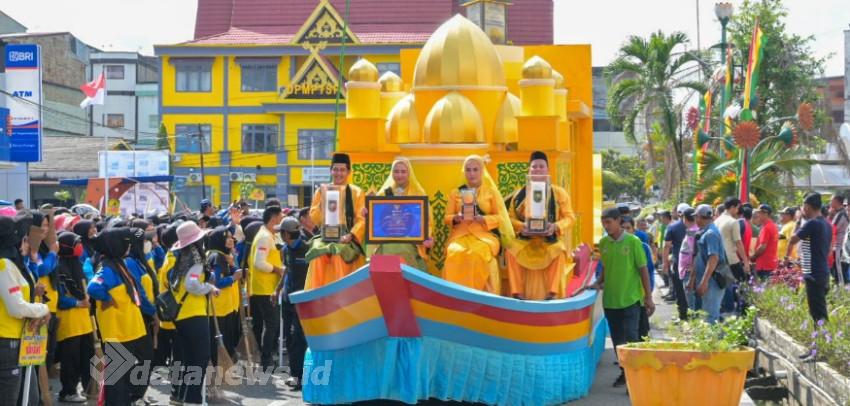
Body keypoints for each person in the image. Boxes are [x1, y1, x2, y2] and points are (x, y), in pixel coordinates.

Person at [590, 207, 653, 388]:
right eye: (603, 223)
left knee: (632, 339)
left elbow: (643, 270)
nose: (606, 226)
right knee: (618, 341)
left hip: (631, 299)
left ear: (618, 221)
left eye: (609, 222)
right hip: (611, 301)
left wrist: (648, 297)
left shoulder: (633, 242)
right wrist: (598, 282)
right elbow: (606, 267)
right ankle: (625, 372)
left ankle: (635, 377)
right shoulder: (603, 243)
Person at [87, 227, 149, 405]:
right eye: (125, 242)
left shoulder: (118, 264)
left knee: (124, 374)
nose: (128, 245)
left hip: (126, 329)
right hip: (117, 331)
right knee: (116, 378)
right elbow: (93, 287)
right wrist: (108, 299)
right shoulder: (107, 268)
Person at [504, 151, 575, 300]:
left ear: (547, 170)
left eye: (541, 166)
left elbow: (570, 217)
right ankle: (517, 293)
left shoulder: (559, 193)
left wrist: (555, 226)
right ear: (529, 170)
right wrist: (522, 226)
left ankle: (552, 293)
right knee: (510, 250)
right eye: (534, 166)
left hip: (548, 239)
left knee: (559, 251)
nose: (537, 169)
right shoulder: (519, 194)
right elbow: (510, 218)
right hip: (526, 239)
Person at [443, 155, 515, 294]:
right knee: (454, 253)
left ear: (482, 171)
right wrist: (457, 218)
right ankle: (455, 296)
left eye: (475, 170)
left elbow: (500, 218)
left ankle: (478, 296)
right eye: (468, 170)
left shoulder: (491, 192)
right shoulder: (456, 193)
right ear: (464, 172)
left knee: (477, 254)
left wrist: (483, 219)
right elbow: (447, 218)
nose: (471, 173)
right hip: (461, 234)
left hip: (485, 235)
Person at [0, 214, 51, 405]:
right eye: (24, 239)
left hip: (21, 339)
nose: (27, 243)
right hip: (7, 341)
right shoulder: (4, 265)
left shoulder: (15, 264)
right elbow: (16, 307)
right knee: (10, 399)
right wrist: (42, 309)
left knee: (29, 398)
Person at [169, 221, 219, 404]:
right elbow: (192, 285)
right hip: (193, 314)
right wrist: (209, 287)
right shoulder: (196, 259)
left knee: (189, 358)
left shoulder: (182, 256)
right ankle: (193, 398)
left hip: (181, 315)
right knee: (200, 357)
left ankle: (184, 397)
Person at [305, 153, 367, 289]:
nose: (338, 173)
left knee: (339, 254)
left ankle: (341, 291)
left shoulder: (357, 192)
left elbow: (361, 220)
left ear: (348, 172)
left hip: (347, 237)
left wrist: (351, 235)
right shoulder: (321, 191)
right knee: (317, 254)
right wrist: (322, 202)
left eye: (342, 170)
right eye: (335, 169)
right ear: (331, 171)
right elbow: (314, 217)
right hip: (325, 235)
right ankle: (315, 292)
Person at [367, 158, 434, 271]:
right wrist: (367, 212)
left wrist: (427, 236)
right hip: (387, 238)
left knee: (404, 248)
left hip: (411, 240)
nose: (399, 175)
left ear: (409, 173)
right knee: (388, 248)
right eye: (396, 171)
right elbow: (376, 218)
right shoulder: (384, 193)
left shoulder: (418, 193)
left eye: (403, 172)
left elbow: (427, 221)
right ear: (392, 173)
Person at [55, 231, 94, 403]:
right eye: (76, 243)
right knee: (70, 360)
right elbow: (59, 299)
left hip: (84, 321)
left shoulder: (78, 264)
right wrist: (77, 303)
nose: (80, 246)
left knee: (87, 357)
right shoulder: (58, 268)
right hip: (69, 322)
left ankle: (89, 388)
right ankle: (68, 391)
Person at [786, 193, 832, 326]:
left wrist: (798, 221)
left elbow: (792, 240)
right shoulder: (827, 224)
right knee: (819, 309)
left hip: (813, 273)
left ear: (807, 206)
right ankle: (822, 335)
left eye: (803, 206)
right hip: (823, 271)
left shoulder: (812, 223)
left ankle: (823, 336)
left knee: (817, 313)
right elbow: (829, 250)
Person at [276, 217, 309, 391]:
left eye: (281, 232)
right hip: (287, 300)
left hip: (302, 302)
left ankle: (300, 377)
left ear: (286, 234)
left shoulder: (308, 250)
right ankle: (294, 374)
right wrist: (277, 289)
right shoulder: (285, 249)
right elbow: (287, 270)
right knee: (289, 339)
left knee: (298, 338)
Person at [249, 206, 284, 368]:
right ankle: (266, 359)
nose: (281, 220)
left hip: (268, 287)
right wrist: (277, 269)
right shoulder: (264, 237)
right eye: (280, 217)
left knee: (271, 324)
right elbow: (259, 263)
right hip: (264, 288)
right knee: (271, 324)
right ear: (274, 218)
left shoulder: (269, 235)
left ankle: (267, 356)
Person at [206, 226, 242, 364]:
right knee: (219, 342)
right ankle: (219, 368)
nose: (230, 240)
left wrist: (233, 265)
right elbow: (216, 282)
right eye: (226, 237)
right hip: (218, 307)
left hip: (226, 306)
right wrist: (233, 278)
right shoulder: (216, 256)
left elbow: (235, 271)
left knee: (227, 339)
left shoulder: (224, 255)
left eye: (231, 237)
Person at [693, 204, 728, 324]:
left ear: (700, 217)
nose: (695, 220)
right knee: (708, 314)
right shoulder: (706, 231)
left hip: (712, 281)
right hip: (710, 280)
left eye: (696, 217)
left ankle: (713, 336)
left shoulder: (710, 234)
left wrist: (704, 282)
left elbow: (713, 258)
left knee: (710, 317)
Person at [621, 216, 654, 338]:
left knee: (640, 332)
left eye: (628, 228)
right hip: (619, 298)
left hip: (638, 297)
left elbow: (649, 272)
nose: (625, 231)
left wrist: (648, 295)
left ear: (633, 230)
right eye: (622, 228)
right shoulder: (610, 245)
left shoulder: (643, 247)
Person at [662, 203, 691, 320]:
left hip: (678, 262)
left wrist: (665, 264)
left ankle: (683, 315)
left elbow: (666, 246)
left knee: (679, 289)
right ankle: (694, 314)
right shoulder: (696, 226)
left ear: (679, 213)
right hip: (693, 263)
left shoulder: (672, 227)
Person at [715, 198, 750, 282]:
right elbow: (738, 243)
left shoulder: (716, 221)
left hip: (718, 259)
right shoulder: (733, 222)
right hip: (731, 260)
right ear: (732, 207)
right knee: (742, 284)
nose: (738, 210)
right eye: (737, 208)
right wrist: (746, 262)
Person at [677, 208, 700, 311]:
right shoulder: (695, 229)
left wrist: (692, 267)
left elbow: (695, 251)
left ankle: (695, 319)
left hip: (689, 271)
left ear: (685, 218)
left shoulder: (692, 231)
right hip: (689, 269)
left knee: (692, 302)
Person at [751, 204, 779, 281]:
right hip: (770, 263)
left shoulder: (766, 228)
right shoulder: (773, 226)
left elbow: (762, 247)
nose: (758, 215)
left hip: (764, 265)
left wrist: (753, 257)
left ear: (765, 214)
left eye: (759, 213)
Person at [829, 195, 848, 285]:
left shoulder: (841, 214)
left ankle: (842, 289)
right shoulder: (840, 213)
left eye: (831, 201)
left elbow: (832, 229)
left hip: (839, 247)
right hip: (840, 246)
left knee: (839, 270)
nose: (830, 203)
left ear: (837, 202)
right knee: (838, 270)